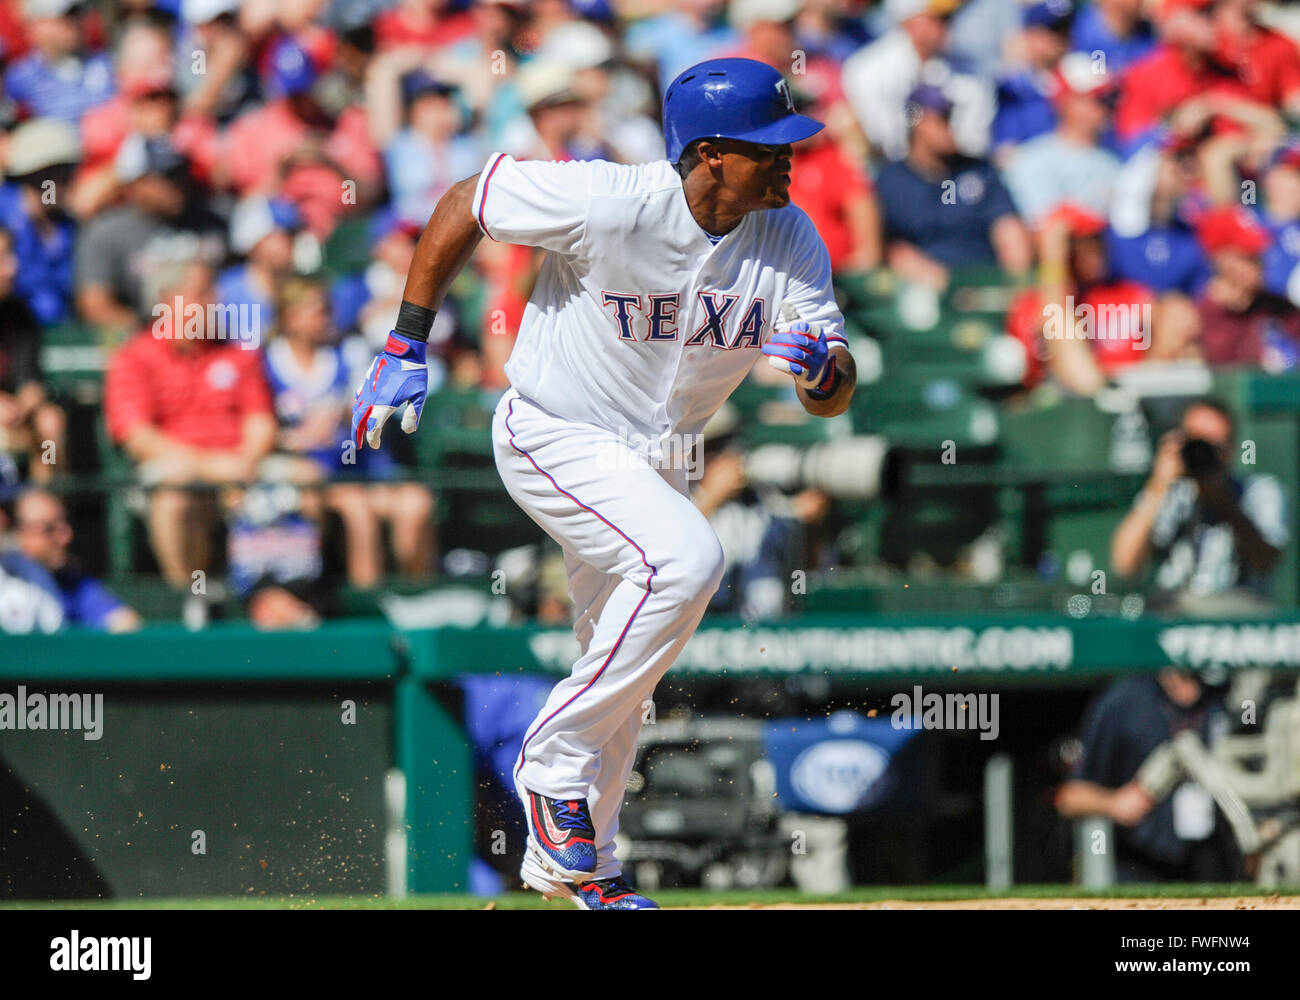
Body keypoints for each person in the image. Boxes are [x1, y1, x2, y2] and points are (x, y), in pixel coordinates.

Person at [350, 58, 857, 908]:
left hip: (655, 463)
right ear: (706, 156)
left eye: (788, 142)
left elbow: (835, 396)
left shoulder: (791, 237)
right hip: (555, 431)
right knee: (689, 563)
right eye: (766, 147)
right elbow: (466, 202)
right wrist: (407, 340)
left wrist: (822, 374)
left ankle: (583, 874)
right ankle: (548, 764)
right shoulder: (612, 197)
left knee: (623, 673)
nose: (787, 158)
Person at [103, 256, 275, 590]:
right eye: (203, 293)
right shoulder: (133, 357)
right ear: (169, 300)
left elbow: (261, 422)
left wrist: (244, 465)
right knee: (176, 494)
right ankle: (187, 599)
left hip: (242, 465)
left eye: (213, 292)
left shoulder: (239, 353)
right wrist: (215, 469)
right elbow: (138, 437)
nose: (215, 302)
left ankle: (288, 598)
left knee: (307, 483)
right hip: (176, 467)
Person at [1055, 667, 1241, 882]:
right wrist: (1115, 803)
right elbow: (1070, 797)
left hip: (1216, 863)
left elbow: (1253, 749)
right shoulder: (1123, 701)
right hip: (1141, 864)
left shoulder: (1233, 698)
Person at [1110, 396, 1287, 611]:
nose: (1204, 453)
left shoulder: (1258, 490)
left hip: (1238, 609)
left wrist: (1223, 499)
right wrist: (1158, 485)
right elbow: (1125, 564)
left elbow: (1266, 562)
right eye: (1197, 442)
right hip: (1172, 608)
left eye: (1215, 445)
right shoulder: (1167, 492)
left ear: (1231, 448)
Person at [875, 84, 1032, 288]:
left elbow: (1008, 228)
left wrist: (1017, 279)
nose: (951, 125)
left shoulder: (980, 172)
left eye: (951, 115)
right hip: (923, 288)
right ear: (917, 123)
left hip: (984, 279)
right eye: (942, 118)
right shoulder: (892, 180)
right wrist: (908, 263)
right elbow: (885, 244)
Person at [11, 488, 141, 632]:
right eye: (50, 529)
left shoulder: (74, 582)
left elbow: (126, 623)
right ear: (21, 532)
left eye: (65, 524)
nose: (66, 537)